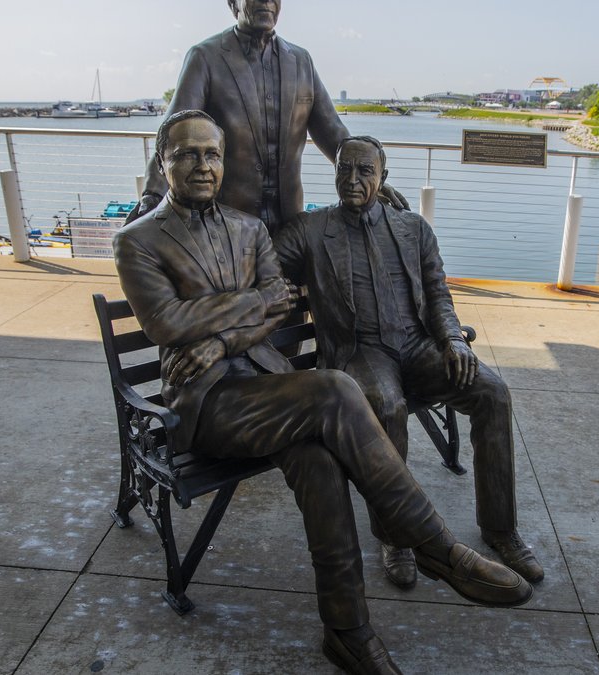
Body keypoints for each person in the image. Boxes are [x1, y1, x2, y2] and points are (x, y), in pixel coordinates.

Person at [113, 111, 531, 675]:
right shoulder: (136, 240)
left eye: (212, 154)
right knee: (335, 389)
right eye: (187, 154)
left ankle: (347, 633)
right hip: (208, 404)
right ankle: (436, 547)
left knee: (320, 464)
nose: (203, 165)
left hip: (269, 388)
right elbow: (165, 323)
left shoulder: (248, 229)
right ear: (162, 160)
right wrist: (250, 306)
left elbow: (278, 304)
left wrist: (219, 337)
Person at [272, 136, 546, 591]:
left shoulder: (412, 228)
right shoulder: (311, 230)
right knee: (386, 404)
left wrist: (454, 341)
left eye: (365, 171)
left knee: (492, 393)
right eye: (345, 170)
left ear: (383, 176)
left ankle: (501, 530)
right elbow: (263, 266)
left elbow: (439, 294)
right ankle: (396, 536)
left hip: (418, 345)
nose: (353, 179)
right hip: (361, 352)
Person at [129, 0, 405, 233]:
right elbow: (173, 135)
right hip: (227, 221)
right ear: (232, 3)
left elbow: (333, 132)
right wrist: (152, 196)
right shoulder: (206, 57)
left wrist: (375, 181)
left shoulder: (301, 61)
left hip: (289, 220)